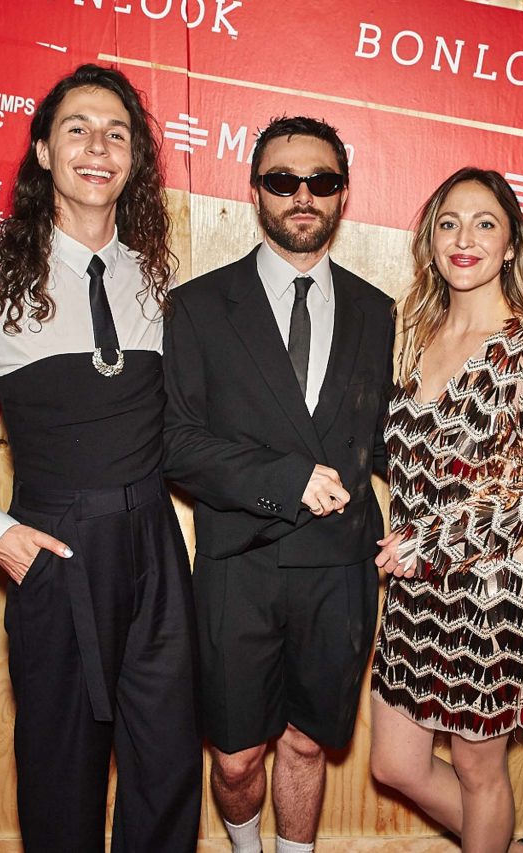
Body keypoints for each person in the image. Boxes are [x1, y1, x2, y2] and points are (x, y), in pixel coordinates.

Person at [0, 64, 199, 852]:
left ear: (135, 158)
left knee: (167, 766)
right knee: (61, 767)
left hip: (156, 547)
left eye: (117, 132)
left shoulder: (158, 281)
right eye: (77, 129)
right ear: (43, 150)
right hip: (57, 547)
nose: (97, 147)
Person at [162, 116, 394, 853]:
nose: (302, 195)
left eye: (320, 181)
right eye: (283, 180)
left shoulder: (379, 311)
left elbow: (398, 441)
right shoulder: (198, 307)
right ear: (255, 190)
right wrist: (286, 477)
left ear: (343, 194)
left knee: (304, 745)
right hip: (239, 563)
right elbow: (175, 442)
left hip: (340, 568)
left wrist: (444, 515)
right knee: (235, 757)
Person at [368, 167, 523, 853]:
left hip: (488, 596)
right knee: (392, 762)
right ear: (430, 240)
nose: (465, 238)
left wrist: (434, 540)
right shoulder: (412, 335)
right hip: (411, 594)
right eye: (449, 222)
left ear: (512, 243)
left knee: (478, 771)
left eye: (485, 222)